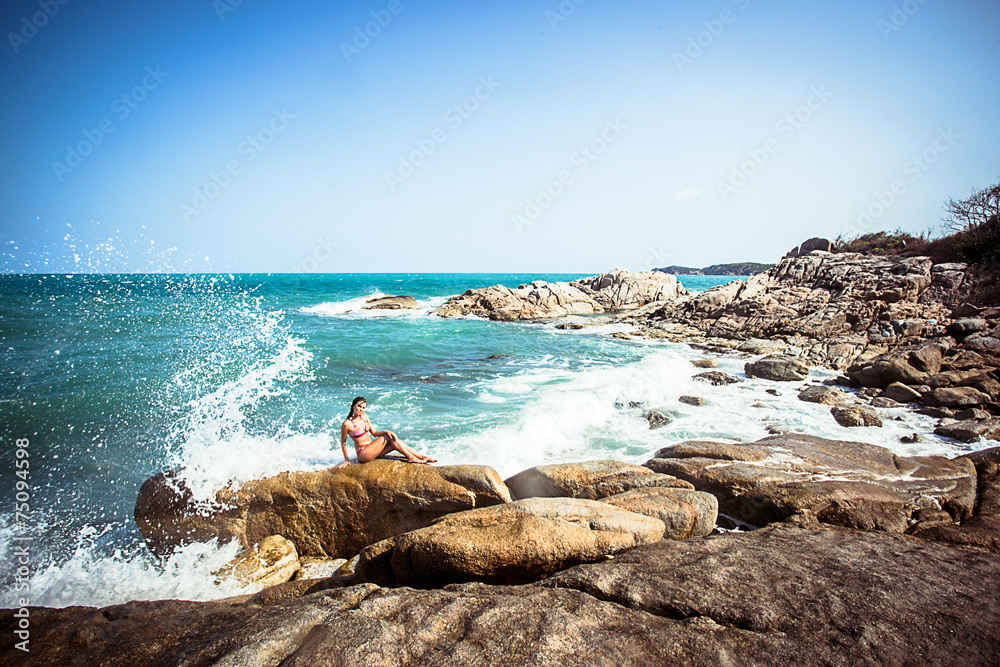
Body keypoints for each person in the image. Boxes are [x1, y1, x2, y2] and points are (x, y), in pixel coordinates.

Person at [337, 396, 436, 468]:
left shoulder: (364, 417)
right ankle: (410, 457)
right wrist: (346, 460)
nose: (361, 409)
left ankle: (422, 456)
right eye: (359, 406)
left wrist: (386, 431)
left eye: (363, 408)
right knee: (388, 437)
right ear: (353, 406)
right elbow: (343, 443)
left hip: (372, 449)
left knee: (394, 441)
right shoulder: (347, 424)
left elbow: (374, 433)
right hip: (363, 453)